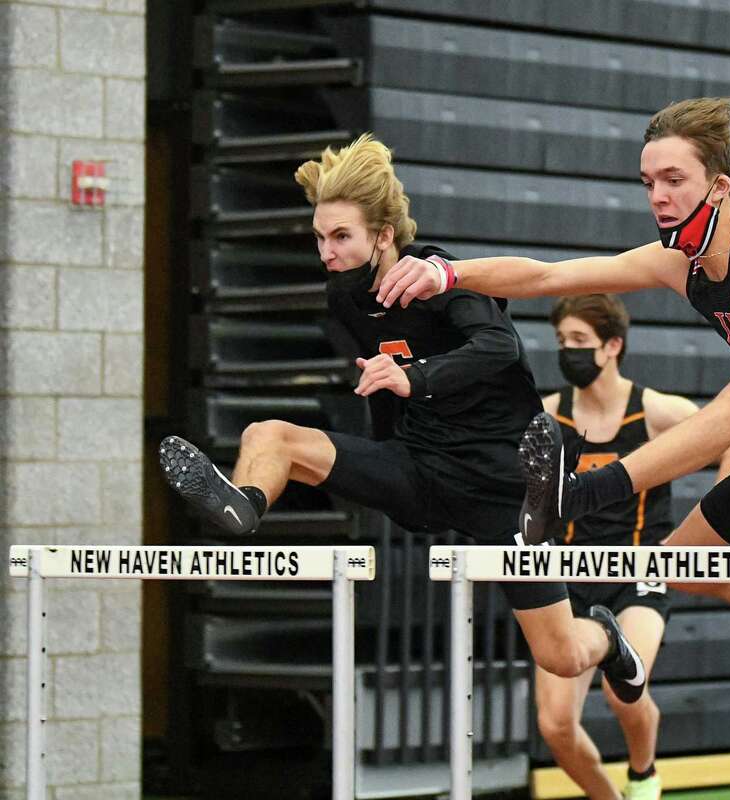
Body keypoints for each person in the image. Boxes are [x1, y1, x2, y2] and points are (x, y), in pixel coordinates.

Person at [375, 96, 730, 714]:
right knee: (684, 568)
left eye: (674, 180)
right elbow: (546, 278)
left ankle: (581, 493)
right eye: (648, 182)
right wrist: (450, 276)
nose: (658, 197)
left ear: (718, 187)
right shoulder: (681, 263)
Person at [156, 134, 647, 703]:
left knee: (560, 655)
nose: (327, 253)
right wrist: (378, 465)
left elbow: (500, 347)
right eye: (319, 237)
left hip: (503, 485)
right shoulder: (345, 298)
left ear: (384, 236)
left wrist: (414, 377)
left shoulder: (440, 279)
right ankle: (244, 507)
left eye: (341, 237)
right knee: (268, 436)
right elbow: (380, 388)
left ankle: (608, 639)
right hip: (418, 467)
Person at [536, 294, 730, 800]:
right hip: (569, 580)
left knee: (622, 687)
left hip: (640, 575)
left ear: (613, 346)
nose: (568, 351)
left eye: (580, 342)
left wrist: (712, 523)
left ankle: (643, 770)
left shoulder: (656, 411)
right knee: (555, 726)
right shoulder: (548, 417)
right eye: (562, 341)